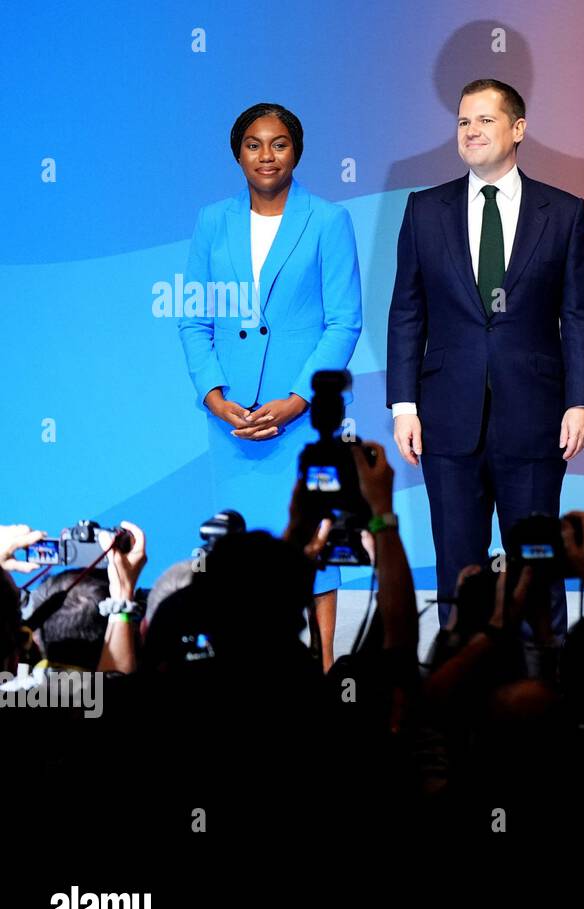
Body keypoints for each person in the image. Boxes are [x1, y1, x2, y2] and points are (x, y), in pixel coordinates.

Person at [387, 78, 584, 638]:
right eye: (463, 122)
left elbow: (579, 314)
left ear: (518, 129)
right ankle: (459, 694)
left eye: (484, 119)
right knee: (459, 569)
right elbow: (407, 312)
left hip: (534, 418)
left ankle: (543, 695)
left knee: (537, 568)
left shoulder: (564, 211)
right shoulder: (424, 209)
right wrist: (403, 405)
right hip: (445, 420)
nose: (471, 131)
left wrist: (581, 402)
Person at [179, 103, 363, 670]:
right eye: (255, 144)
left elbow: (344, 321)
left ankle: (326, 666)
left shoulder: (329, 220)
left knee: (315, 543)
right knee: (235, 544)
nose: (267, 155)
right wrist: (215, 397)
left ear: (296, 152)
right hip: (231, 419)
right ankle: (240, 665)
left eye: (279, 144)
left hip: (299, 419)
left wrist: (297, 400)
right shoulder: (213, 221)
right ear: (238, 153)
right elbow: (193, 318)